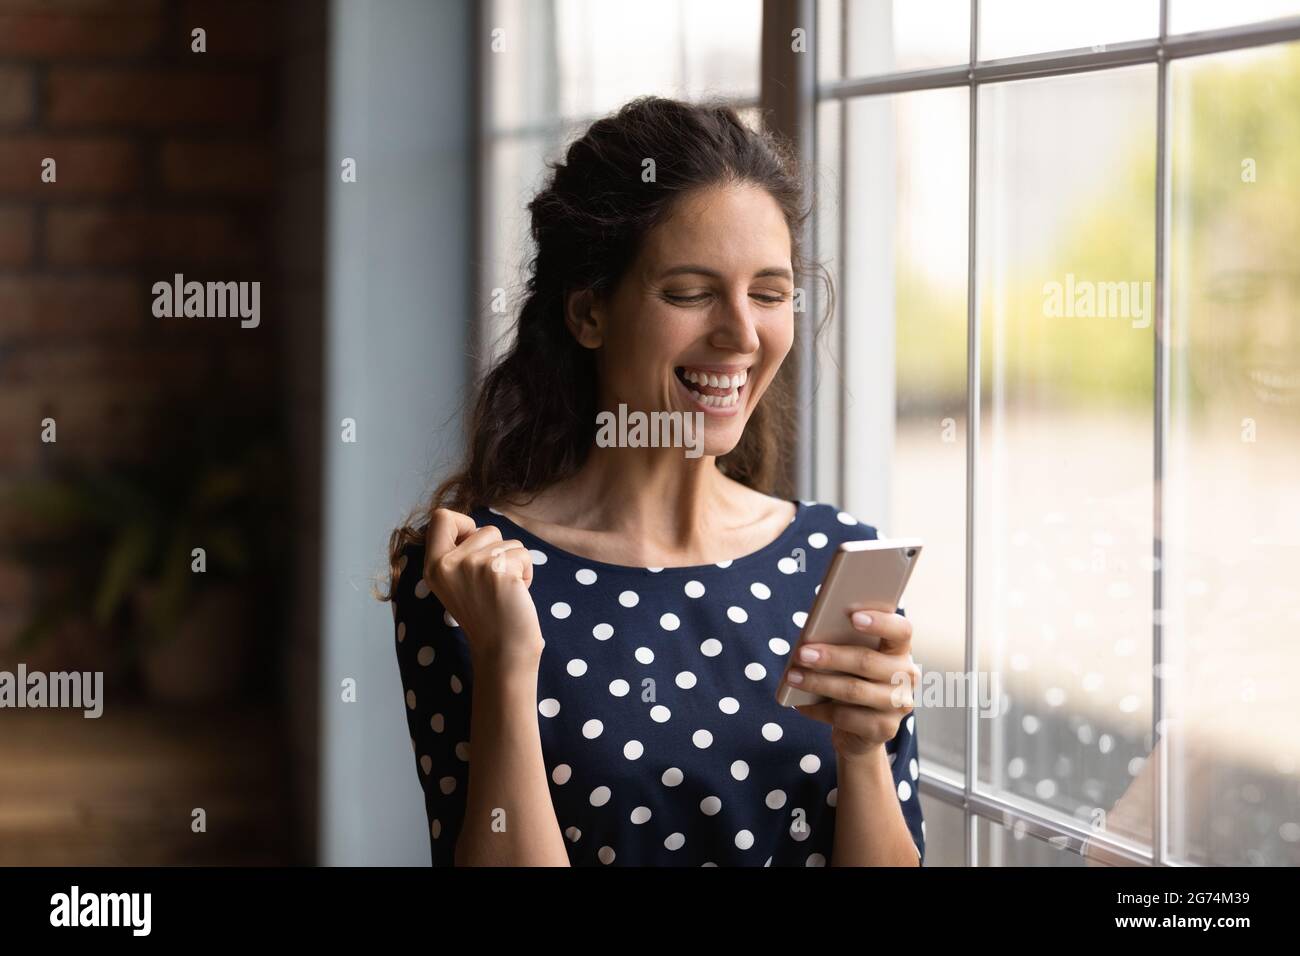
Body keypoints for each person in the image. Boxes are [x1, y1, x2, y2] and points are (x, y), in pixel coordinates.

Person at [381, 96, 924, 866]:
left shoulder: (840, 562)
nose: (740, 334)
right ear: (588, 313)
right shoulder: (471, 578)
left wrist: (867, 752)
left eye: (768, 294)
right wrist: (507, 662)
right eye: (691, 293)